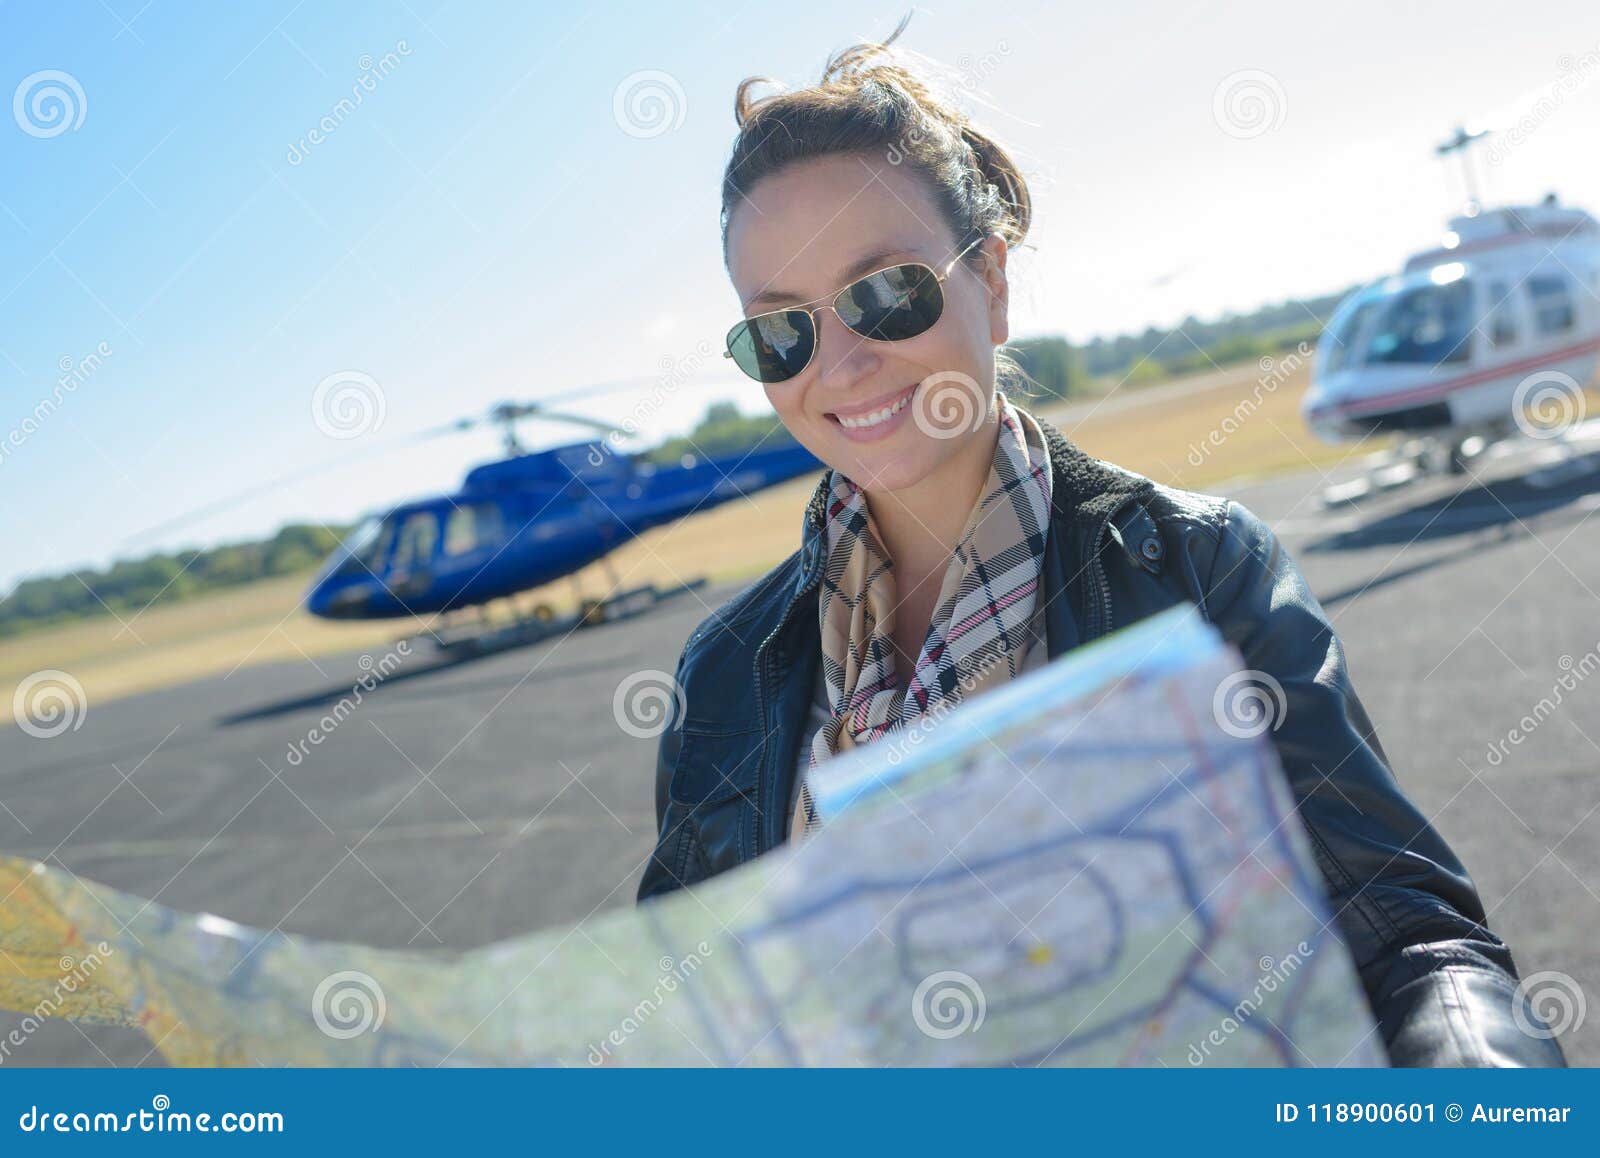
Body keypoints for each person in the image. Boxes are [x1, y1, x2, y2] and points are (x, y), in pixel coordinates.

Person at [634, 17, 1565, 1067]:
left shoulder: (1198, 569)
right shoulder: (723, 672)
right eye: (782, 331)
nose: (838, 366)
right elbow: (683, 1022)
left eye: (886, 293)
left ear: (990, 282)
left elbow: (1408, 941)